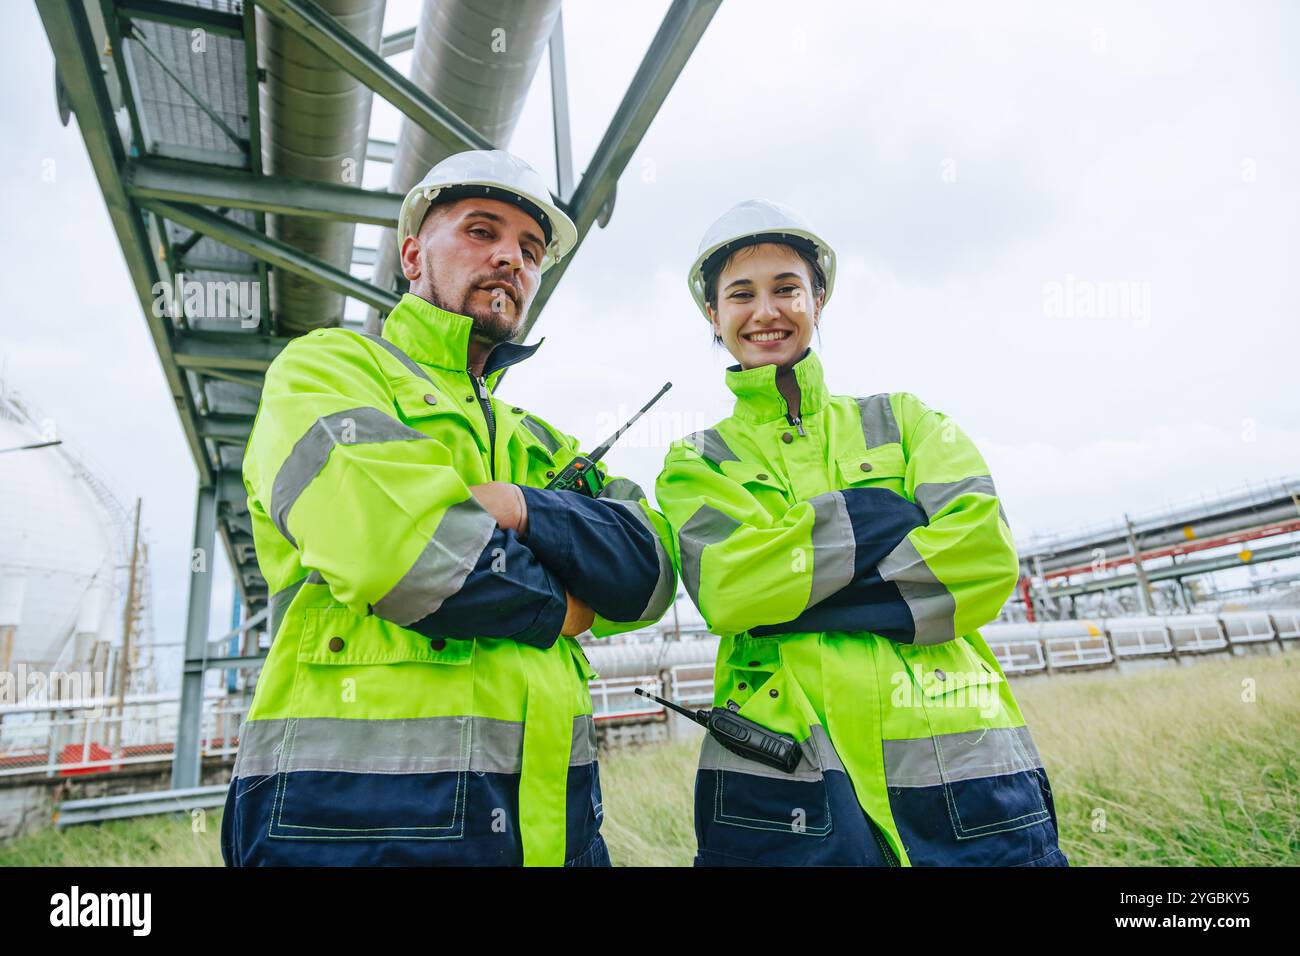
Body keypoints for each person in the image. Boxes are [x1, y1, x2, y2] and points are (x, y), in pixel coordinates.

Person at [220, 149, 677, 866]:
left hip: (554, 829)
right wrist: (566, 610)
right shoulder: (329, 370)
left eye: (529, 249)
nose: (510, 259)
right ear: (411, 256)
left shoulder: (540, 443)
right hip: (352, 827)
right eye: (480, 231)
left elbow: (648, 572)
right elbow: (407, 551)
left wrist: (523, 506)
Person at [653, 199, 1068, 866]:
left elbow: (984, 561)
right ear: (714, 316)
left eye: (787, 288)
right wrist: (880, 519)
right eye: (741, 294)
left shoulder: (904, 421)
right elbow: (729, 590)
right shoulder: (696, 462)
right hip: (785, 769)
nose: (767, 311)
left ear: (818, 299)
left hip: (958, 763)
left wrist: (788, 596)